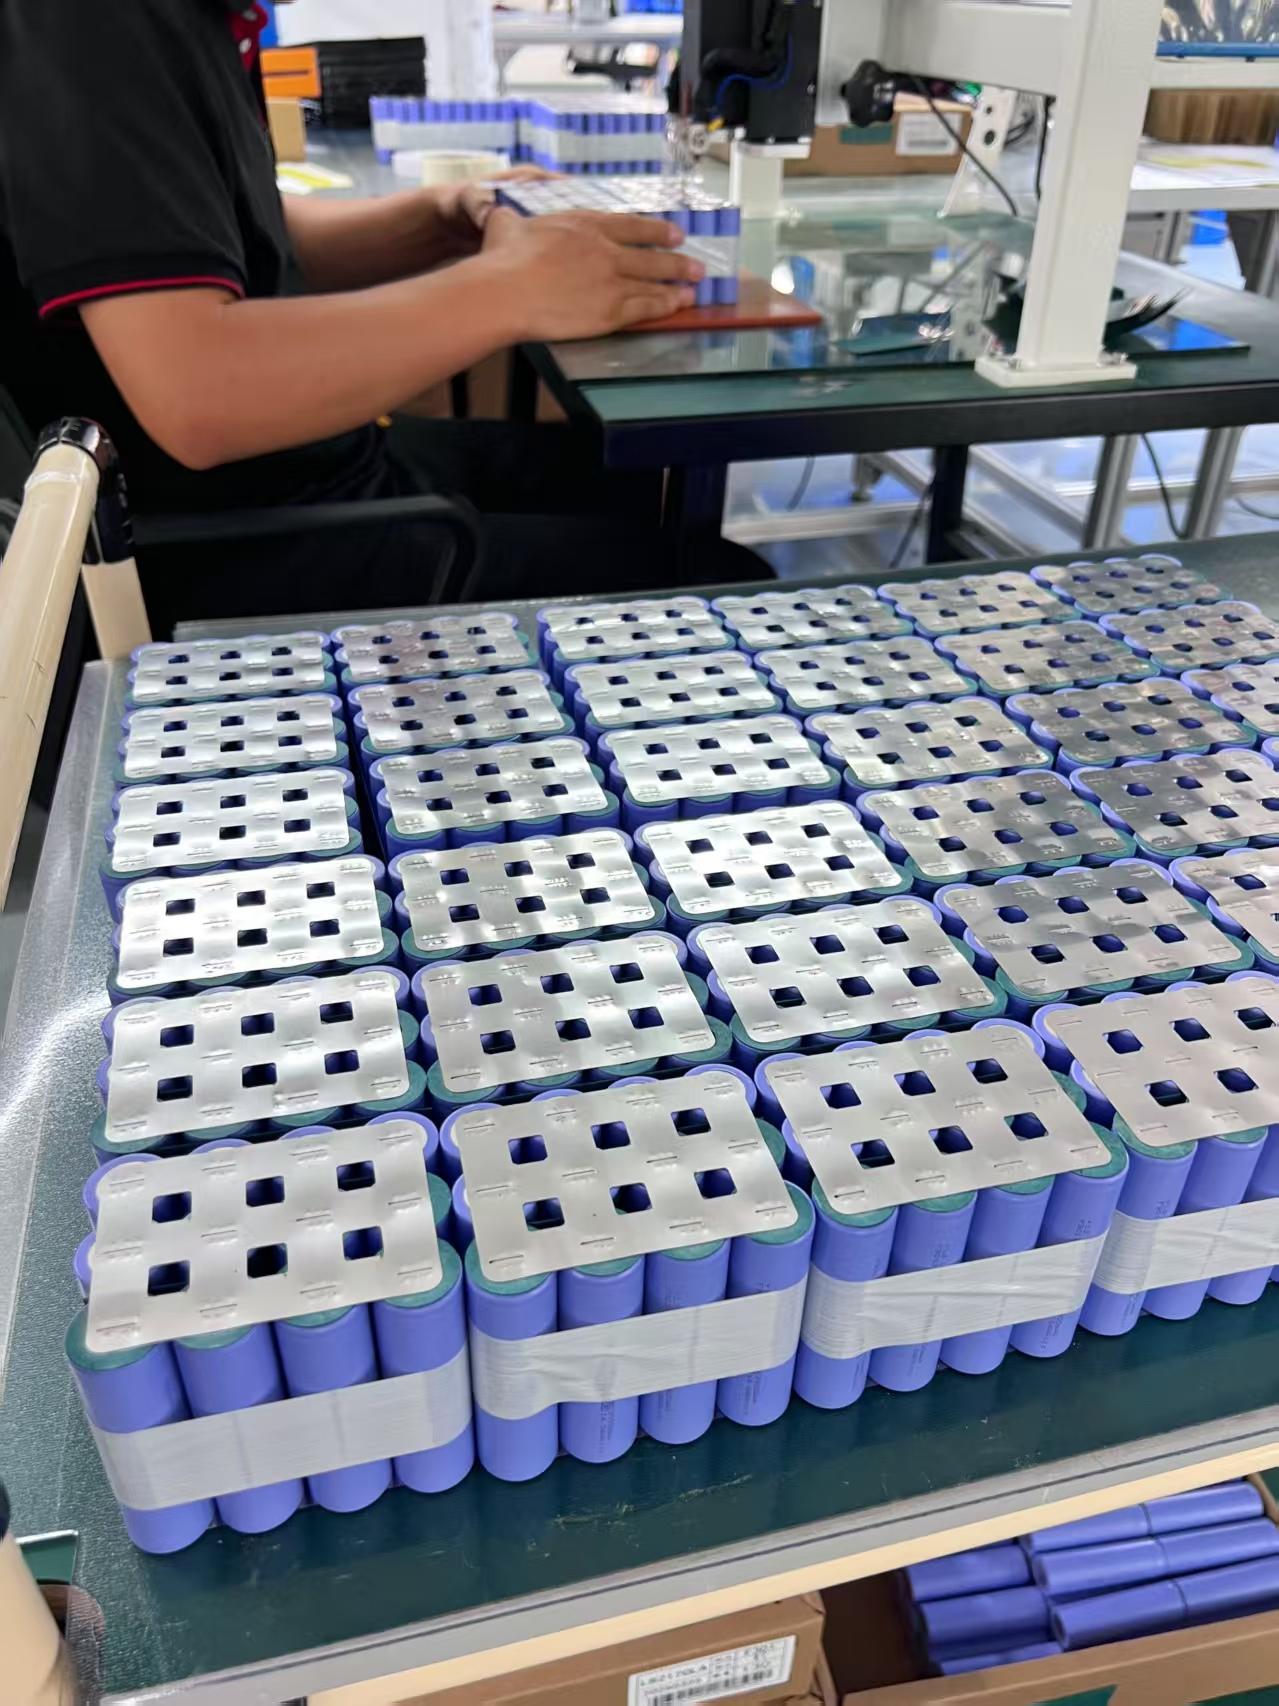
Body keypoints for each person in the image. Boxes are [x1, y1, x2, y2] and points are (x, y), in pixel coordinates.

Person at [0, 0, 765, 634]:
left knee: (618, 478)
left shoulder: (191, 22)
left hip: (304, 476)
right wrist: (506, 289)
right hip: (238, 546)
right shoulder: (94, 24)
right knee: (732, 592)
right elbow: (198, 393)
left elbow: (234, 238)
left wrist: (436, 219)